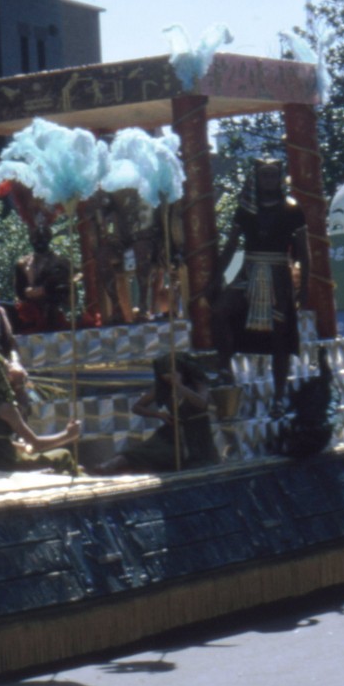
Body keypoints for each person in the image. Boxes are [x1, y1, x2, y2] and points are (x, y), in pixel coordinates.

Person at [211, 159, 309, 410]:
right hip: (249, 269)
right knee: (221, 310)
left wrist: (304, 289)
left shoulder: (292, 208)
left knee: (280, 336)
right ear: (256, 179)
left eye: (272, 175)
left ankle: (279, 394)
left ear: (279, 178)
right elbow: (231, 244)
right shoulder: (246, 208)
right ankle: (224, 367)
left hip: (277, 274)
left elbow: (303, 252)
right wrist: (215, 276)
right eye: (264, 176)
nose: (268, 180)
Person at [0, 349, 82, 475]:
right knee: (63, 455)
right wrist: (68, 435)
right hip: (9, 463)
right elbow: (35, 444)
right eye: (6, 371)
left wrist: (18, 446)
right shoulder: (6, 409)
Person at [95, 359, 219, 474]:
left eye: (171, 373)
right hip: (172, 430)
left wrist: (180, 386)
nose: (168, 377)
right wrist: (158, 415)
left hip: (196, 431)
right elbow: (137, 407)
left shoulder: (198, 384)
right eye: (165, 374)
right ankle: (112, 464)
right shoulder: (162, 388)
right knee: (145, 451)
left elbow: (202, 403)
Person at [13, 223, 75, 333]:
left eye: (43, 235)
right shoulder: (23, 264)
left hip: (56, 317)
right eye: (35, 236)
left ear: (49, 236)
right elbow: (20, 293)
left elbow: (72, 297)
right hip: (30, 319)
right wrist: (38, 291)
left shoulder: (61, 262)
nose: (39, 239)